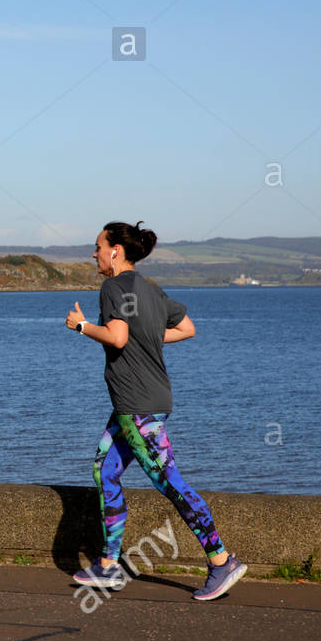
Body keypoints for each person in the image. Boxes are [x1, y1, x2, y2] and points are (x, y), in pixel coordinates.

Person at [64, 221, 247, 601]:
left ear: (115, 250)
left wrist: (82, 326)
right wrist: (146, 333)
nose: (93, 253)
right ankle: (109, 566)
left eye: (98, 246)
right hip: (142, 403)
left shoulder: (113, 287)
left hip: (138, 406)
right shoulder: (150, 289)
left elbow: (116, 336)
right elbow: (187, 328)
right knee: (105, 469)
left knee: (170, 483)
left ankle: (220, 559)